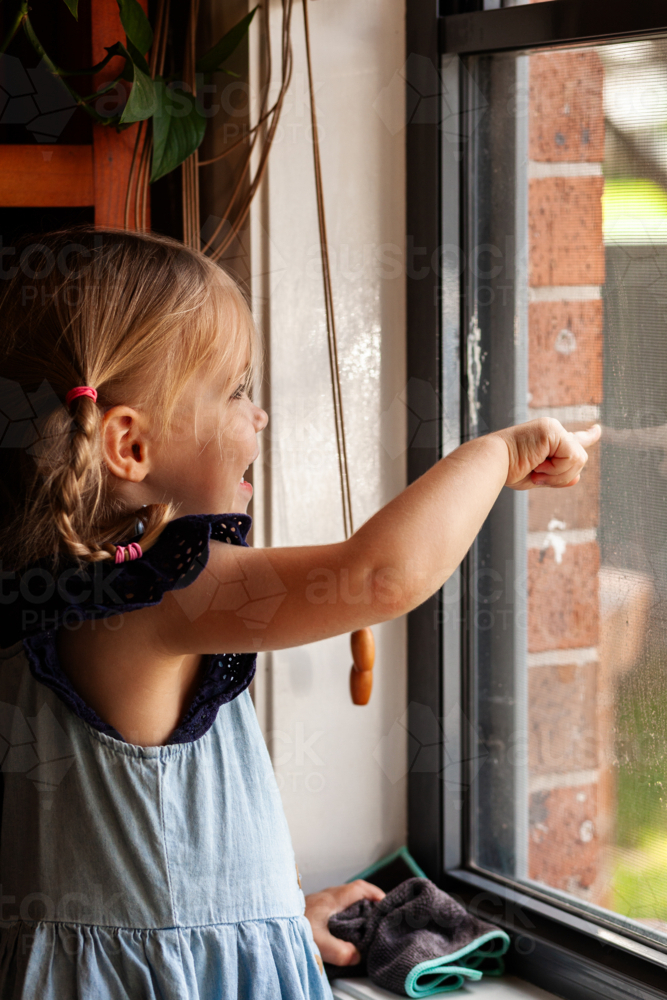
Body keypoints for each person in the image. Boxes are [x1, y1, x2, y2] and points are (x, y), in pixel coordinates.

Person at [0, 228, 600, 999]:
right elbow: (380, 576)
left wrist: (277, 913)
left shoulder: (55, 593)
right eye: (236, 390)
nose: (260, 417)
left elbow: (148, 864)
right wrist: (498, 454)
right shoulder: (156, 598)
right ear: (129, 444)